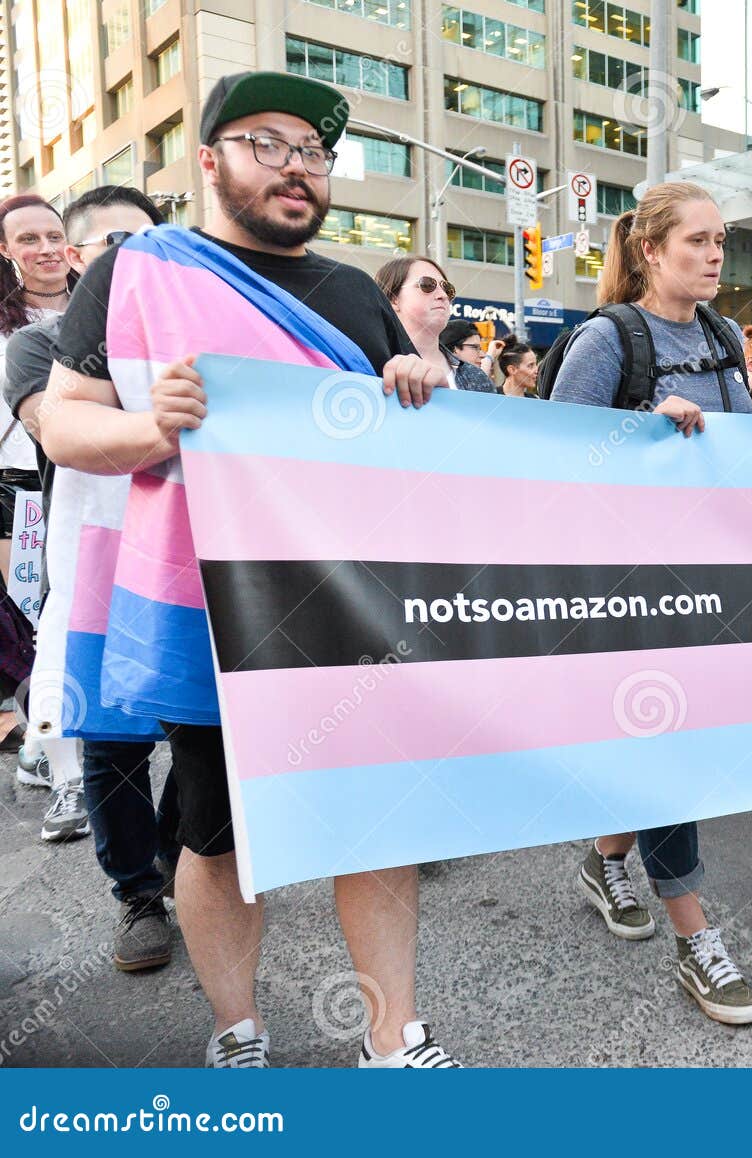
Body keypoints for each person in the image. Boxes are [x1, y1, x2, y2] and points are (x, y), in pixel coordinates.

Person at [40, 70, 459, 1068]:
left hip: (350, 603)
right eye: (267, 143)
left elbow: (426, 447)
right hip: (205, 600)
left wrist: (415, 384)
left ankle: (393, 1041)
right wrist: (151, 426)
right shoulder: (137, 271)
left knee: (371, 820)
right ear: (211, 157)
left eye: (313, 151)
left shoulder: (358, 293)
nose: (296, 167)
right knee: (217, 829)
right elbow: (62, 419)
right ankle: (239, 1032)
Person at [549, 181, 752, 1025]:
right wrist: (640, 427)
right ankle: (697, 940)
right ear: (651, 251)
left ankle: (603, 860)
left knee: (671, 744)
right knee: (673, 751)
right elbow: (551, 465)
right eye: (696, 241)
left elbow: (733, 455)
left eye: (720, 241)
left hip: (721, 583)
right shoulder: (606, 338)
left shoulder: (727, 336)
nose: (712, 255)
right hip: (634, 592)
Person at [5, 185, 181, 967]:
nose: (130, 256)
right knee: (114, 742)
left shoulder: (188, 337)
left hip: (189, 558)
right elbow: (60, 428)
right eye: (112, 242)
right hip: (98, 565)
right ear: (80, 257)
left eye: (144, 240)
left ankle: (184, 859)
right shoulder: (39, 347)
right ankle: (138, 894)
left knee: (203, 729)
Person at [0, 193, 80, 833]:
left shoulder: (104, 303)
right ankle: (57, 759)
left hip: (95, 475)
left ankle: (44, 744)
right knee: (34, 626)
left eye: (54, 234)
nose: (46, 249)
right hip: (17, 488)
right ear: (7, 251)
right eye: (28, 239)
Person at [375, 261, 495, 394]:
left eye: (447, 289)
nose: (443, 295)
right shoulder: (369, 364)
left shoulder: (477, 377)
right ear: (393, 299)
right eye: (427, 285)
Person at [437, 318, 499, 393]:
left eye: (480, 348)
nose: (483, 355)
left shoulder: (476, 378)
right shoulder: (427, 377)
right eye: (475, 347)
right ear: (455, 348)